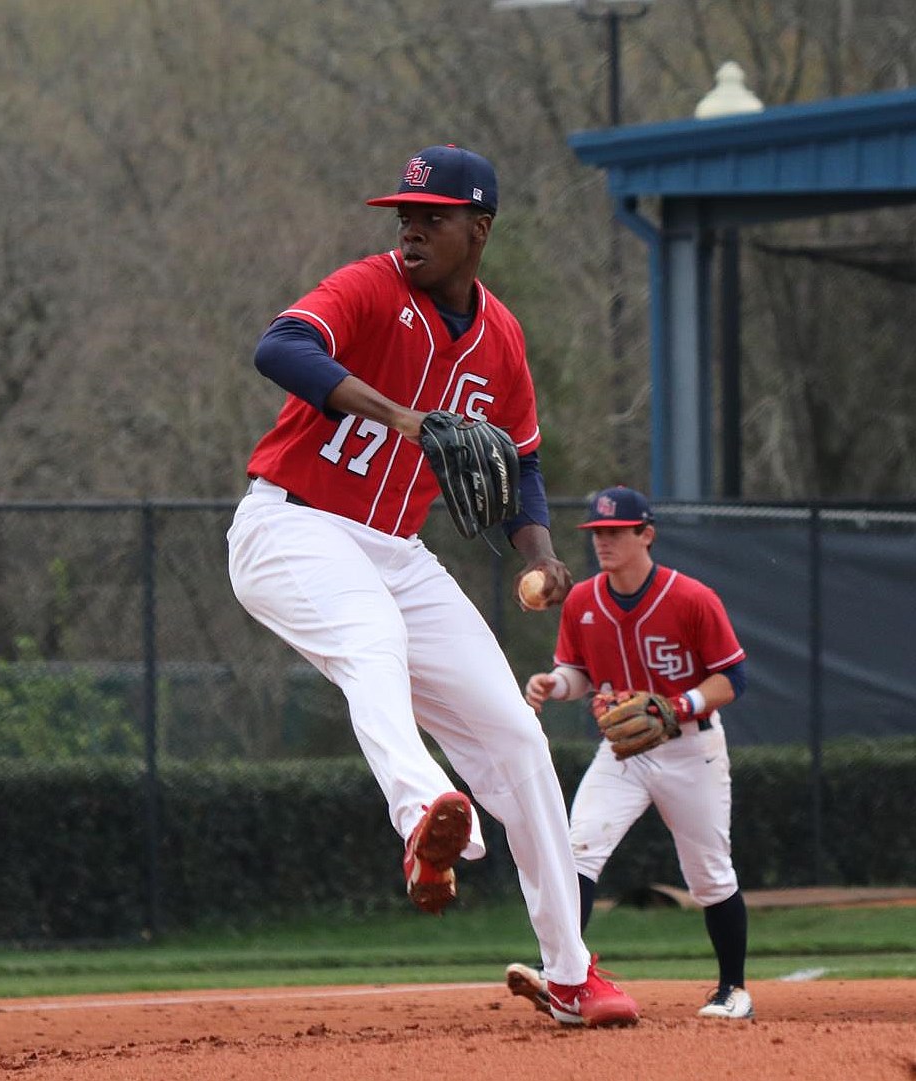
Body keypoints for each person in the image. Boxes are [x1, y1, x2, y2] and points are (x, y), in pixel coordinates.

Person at [225, 145, 640, 1028]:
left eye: (434, 215)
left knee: (513, 736)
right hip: (289, 524)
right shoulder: (370, 288)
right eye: (404, 213)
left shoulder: (502, 337)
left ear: (478, 230)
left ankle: (571, 973)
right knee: (371, 637)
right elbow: (279, 346)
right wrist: (403, 416)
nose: (410, 226)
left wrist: (539, 552)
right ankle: (422, 817)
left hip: (393, 547)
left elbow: (519, 462)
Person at [508, 485, 755, 1020]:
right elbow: (579, 673)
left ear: (647, 534)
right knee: (576, 853)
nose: (604, 542)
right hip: (622, 754)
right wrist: (554, 684)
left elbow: (732, 677)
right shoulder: (581, 600)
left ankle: (733, 989)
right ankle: (565, 978)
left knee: (709, 873)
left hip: (691, 751)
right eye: (598, 533)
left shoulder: (692, 598)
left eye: (616, 532)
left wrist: (677, 705)